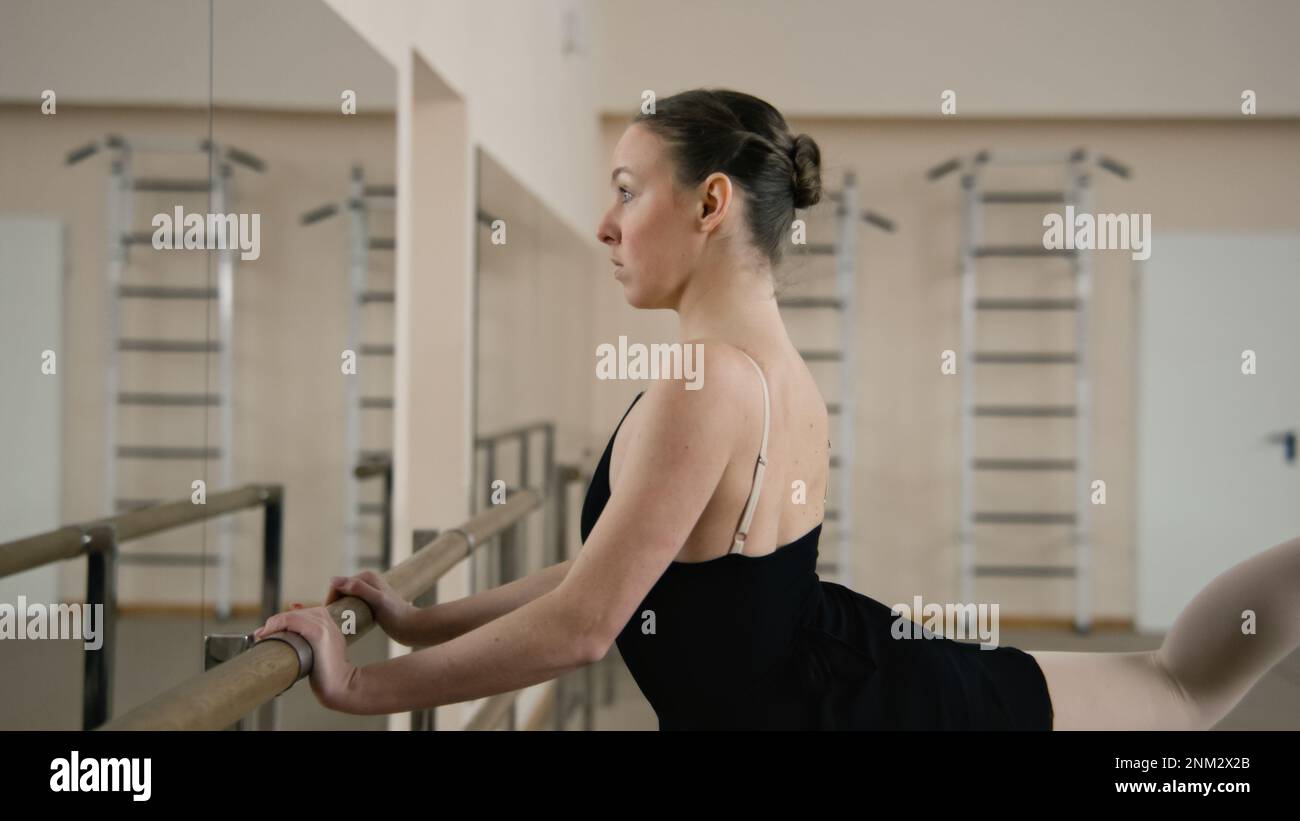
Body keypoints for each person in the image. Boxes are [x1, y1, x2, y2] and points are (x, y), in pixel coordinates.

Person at [256, 88, 1300, 730]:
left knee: (1176, 692)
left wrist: (359, 688)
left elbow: (583, 626)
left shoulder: (709, 380)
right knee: (1173, 688)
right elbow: (608, 571)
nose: (604, 224)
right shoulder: (759, 364)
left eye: (628, 189)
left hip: (843, 708)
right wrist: (415, 616)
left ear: (711, 202)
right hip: (834, 673)